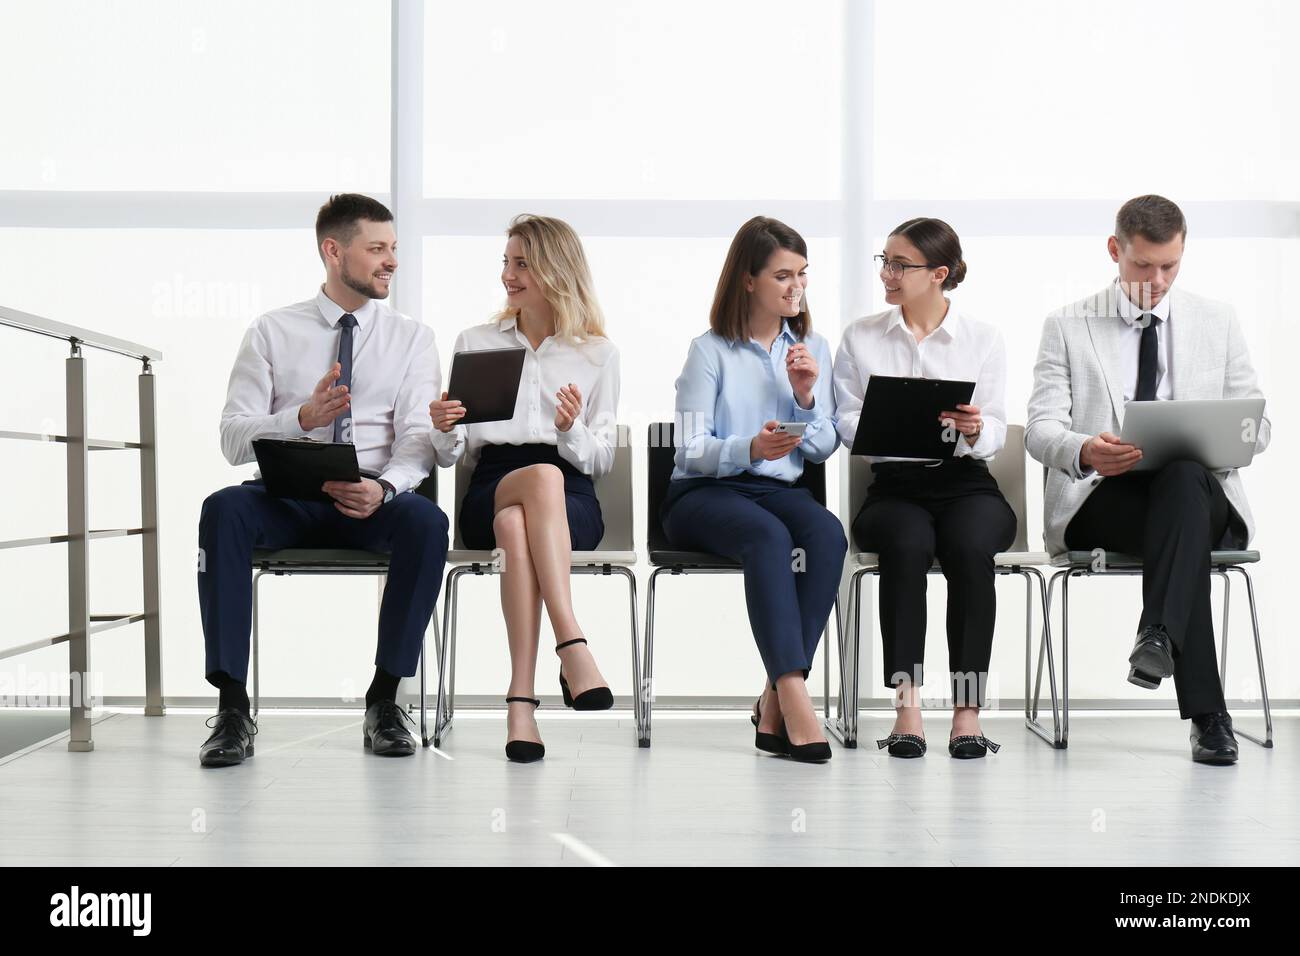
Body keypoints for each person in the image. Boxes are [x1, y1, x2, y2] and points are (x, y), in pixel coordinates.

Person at [197, 193, 460, 767]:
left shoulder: (412, 338)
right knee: (224, 510)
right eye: (377, 249)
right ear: (333, 251)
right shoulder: (271, 331)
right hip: (289, 495)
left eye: (394, 248)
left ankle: (385, 699)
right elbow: (232, 438)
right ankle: (233, 708)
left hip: (372, 495)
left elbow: (418, 438)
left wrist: (385, 489)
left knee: (427, 522)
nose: (391, 260)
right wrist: (301, 418)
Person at [1025, 194, 1270, 765]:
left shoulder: (1217, 321)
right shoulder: (1068, 325)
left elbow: (1257, 427)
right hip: (1106, 502)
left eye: (1171, 266)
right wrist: (1083, 448)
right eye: (1143, 265)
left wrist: (1231, 435)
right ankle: (1209, 716)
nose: (1157, 280)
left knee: (1184, 480)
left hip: (1196, 498)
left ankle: (1158, 637)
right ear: (1116, 251)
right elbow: (1040, 429)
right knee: (1182, 536)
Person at [430, 214, 619, 763]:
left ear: (556, 271)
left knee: (526, 512)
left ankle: (520, 702)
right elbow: (453, 455)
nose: (509, 276)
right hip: (491, 484)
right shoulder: (477, 342)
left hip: (572, 499)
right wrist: (443, 426)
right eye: (506, 263)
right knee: (534, 483)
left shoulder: (598, 354)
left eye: (522, 264)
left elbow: (602, 458)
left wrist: (571, 430)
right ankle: (571, 641)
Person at [660, 216, 844, 764]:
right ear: (748, 280)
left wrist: (806, 398)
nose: (796, 288)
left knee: (827, 535)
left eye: (803, 276)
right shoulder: (709, 350)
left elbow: (824, 445)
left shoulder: (812, 346)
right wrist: (747, 449)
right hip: (703, 493)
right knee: (766, 538)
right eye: (783, 276)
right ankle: (793, 693)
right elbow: (687, 448)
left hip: (778, 490)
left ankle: (772, 696)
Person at [834, 218, 1015, 759]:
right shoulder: (861, 336)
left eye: (900, 264)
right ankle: (907, 708)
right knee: (906, 545)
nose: (887, 273)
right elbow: (845, 422)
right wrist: (884, 425)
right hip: (894, 488)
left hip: (966, 484)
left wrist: (976, 430)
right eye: (884, 261)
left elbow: (1000, 427)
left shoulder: (983, 339)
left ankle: (966, 713)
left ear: (939, 274)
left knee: (968, 546)